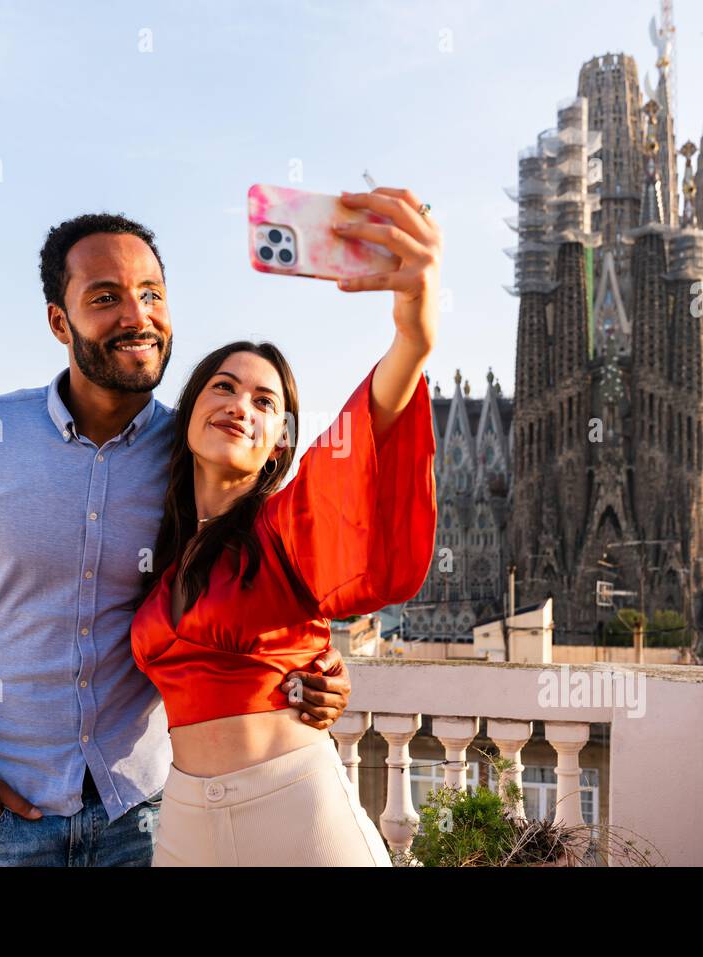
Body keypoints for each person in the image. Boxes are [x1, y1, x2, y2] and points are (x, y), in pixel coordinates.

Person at [0, 211, 352, 867]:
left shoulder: (194, 453)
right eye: (105, 297)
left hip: (146, 820)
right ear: (59, 321)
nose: (139, 315)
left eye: (152, 293)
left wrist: (313, 671)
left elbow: (255, 575)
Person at [132, 185, 440, 866]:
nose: (240, 404)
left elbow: (369, 428)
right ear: (188, 412)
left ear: (279, 441)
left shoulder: (282, 523)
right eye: (223, 386)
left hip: (297, 817)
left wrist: (414, 332)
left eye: (263, 400)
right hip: (183, 822)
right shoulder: (167, 554)